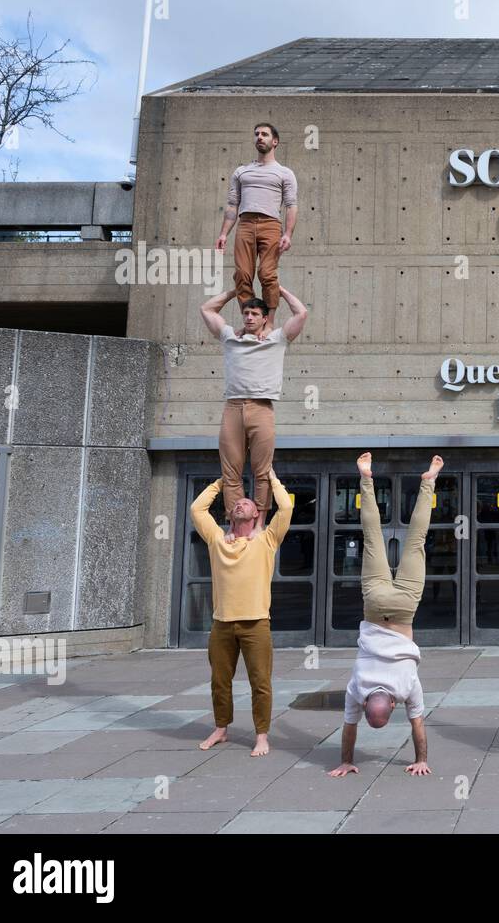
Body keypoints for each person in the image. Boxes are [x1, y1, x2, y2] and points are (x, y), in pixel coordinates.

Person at [328, 452, 443, 779]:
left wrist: (421, 759)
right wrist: (345, 759)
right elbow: (349, 728)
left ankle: (429, 482)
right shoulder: (357, 687)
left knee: (416, 540)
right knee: (373, 537)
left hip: (405, 605)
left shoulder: (406, 687)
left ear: (391, 706)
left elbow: (417, 725)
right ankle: (366, 477)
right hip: (376, 602)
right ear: (368, 705)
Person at [192, 468, 294, 757]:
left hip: (256, 624)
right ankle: (221, 728)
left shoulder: (266, 540)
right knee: (219, 681)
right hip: (221, 624)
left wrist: (272, 478)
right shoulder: (216, 540)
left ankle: (262, 735)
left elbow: (286, 507)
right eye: (237, 503)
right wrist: (223, 482)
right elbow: (197, 509)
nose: (241, 504)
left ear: (256, 515)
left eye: (247, 503)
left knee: (260, 682)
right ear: (230, 514)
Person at [199, 284, 308, 530]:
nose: (249, 317)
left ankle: (258, 524)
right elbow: (207, 309)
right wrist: (233, 293)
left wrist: (280, 290)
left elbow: (301, 314)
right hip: (233, 407)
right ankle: (238, 526)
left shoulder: (276, 339)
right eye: (246, 313)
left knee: (262, 471)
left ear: (264, 318)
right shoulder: (230, 337)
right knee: (231, 472)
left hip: (262, 407)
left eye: (255, 314)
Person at [216, 122, 299, 328]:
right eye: (256, 134)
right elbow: (232, 205)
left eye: (264, 134)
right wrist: (224, 234)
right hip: (245, 224)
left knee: (267, 274)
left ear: (275, 141)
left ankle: (268, 322)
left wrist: (287, 234)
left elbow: (291, 205)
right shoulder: (242, 171)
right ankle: (251, 321)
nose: (259, 137)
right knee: (242, 275)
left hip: (270, 225)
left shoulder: (284, 173)